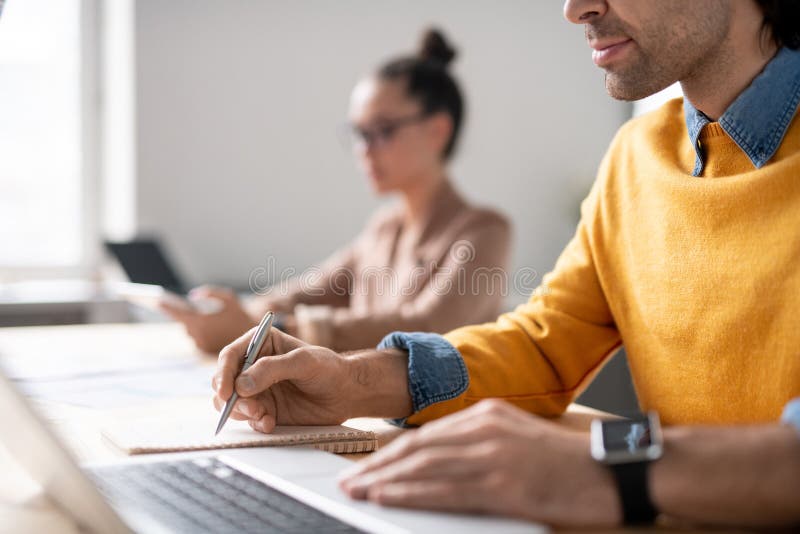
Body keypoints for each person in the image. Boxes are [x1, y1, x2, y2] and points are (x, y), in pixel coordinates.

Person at [211, 0, 800, 528]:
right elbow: (544, 345)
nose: (575, 9)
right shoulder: (635, 157)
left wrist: (601, 463)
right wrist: (350, 383)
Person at [163, 29, 511, 354]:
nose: (364, 149)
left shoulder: (484, 231)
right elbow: (304, 290)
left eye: (383, 130)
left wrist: (266, 328)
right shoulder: (383, 230)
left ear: (438, 130)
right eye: (359, 134)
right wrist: (227, 311)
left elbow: (426, 327)